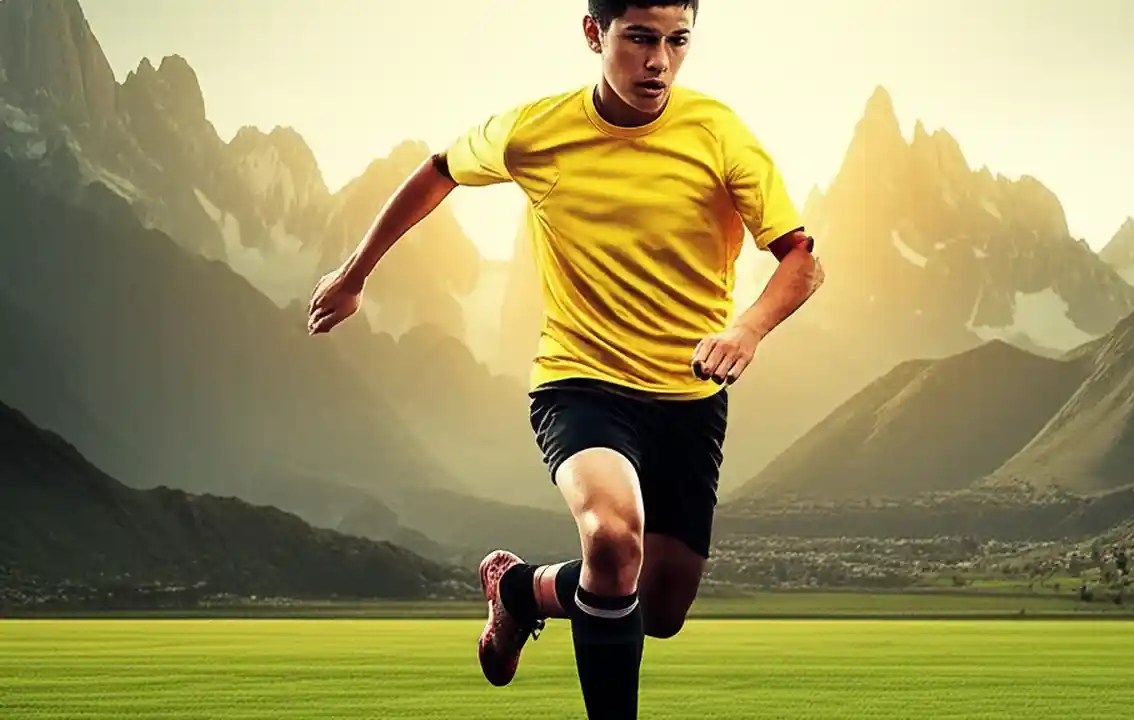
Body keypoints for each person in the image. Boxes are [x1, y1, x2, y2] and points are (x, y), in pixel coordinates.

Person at [306, 1, 824, 716]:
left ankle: (520, 590)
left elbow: (802, 261)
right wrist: (355, 272)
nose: (659, 62)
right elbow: (437, 171)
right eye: (640, 38)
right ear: (594, 34)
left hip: (691, 399)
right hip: (580, 386)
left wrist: (749, 331)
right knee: (613, 539)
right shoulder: (535, 131)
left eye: (677, 42)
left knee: (659, 608)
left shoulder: (720, 133)